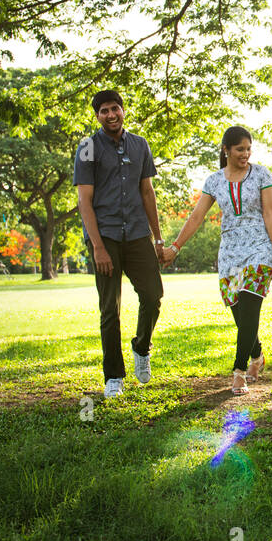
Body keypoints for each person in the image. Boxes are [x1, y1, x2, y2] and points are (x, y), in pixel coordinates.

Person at [166, 127, 272, 395]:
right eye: (240, 149)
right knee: (239, 312)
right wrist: (175, 247)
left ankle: (239, 372)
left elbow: (270, 216)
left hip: (260, 249)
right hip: (230, 252)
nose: (245, 154)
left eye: (248, 149)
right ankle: (256, 354)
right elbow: (196, 216)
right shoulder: (214, 181)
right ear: (226, 150)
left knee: (250, 304)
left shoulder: (261, 175)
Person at [73, 90, 166, 399]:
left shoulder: (140, 145)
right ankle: (113, 375)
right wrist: (97, 246)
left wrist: (157, 236)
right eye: (104, 111)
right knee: (109, 309)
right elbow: (84, 200)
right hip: (106, 236)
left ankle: (142, 346)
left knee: (153, 295)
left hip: (138, 233)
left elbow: (147, 192)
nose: (110, 115)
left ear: (123, 110)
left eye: (115, 109)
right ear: (97, 116)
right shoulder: (87, 148)